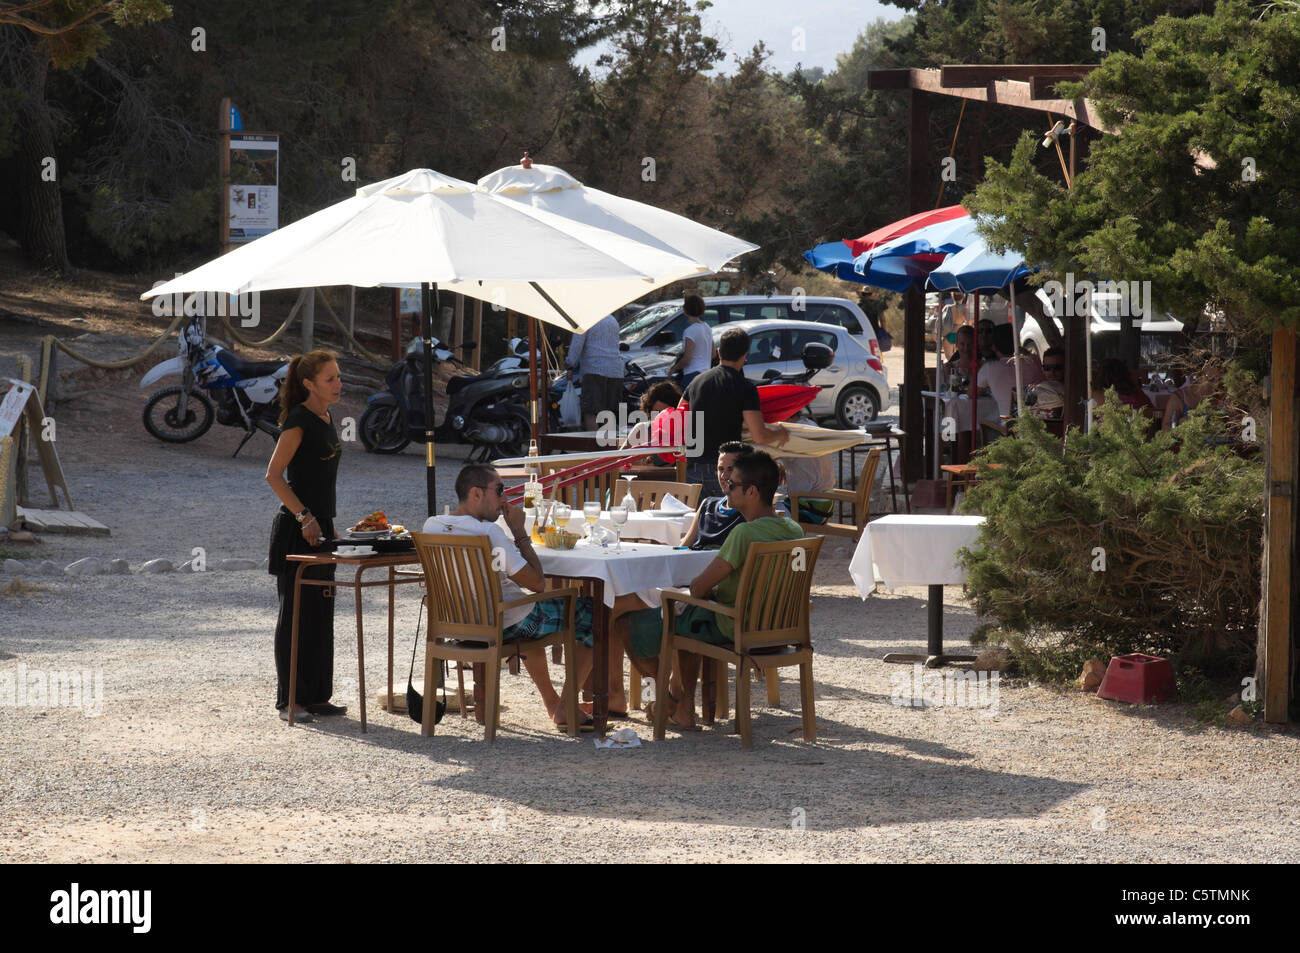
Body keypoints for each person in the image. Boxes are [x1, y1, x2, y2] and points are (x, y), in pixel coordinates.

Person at [618, 449, 803, 730]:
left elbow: (700, 587)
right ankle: (682, 708)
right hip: (778, 630)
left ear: (751, 492)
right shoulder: (794, 530)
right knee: (689, 619)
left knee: (629, 621)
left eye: (733, 484)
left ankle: (670, 701)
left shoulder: (743, 533)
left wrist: (696, 590)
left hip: (733, 626)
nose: (726, 486)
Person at [422, 464, 606, 730]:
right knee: (595, 612)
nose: (504, 499)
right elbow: (538, 583)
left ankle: (553, 703)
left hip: (458, 626)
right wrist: (519, 532)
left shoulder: (431, 525)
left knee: (529, 612)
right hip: (503, 623)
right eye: (499, 491)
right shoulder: (490, 532)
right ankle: (567, 706)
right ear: (476, 494)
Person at [266, 350, 345, 723]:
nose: (338, 384)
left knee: (320, 612)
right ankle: (289, 701)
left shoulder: (327, 416)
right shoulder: (297, 421)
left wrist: (327, 521)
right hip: (297, 530)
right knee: (296, 615)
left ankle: (316, 695)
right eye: (329, 379)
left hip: (322, 527)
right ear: (309, 384)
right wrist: (305, 517)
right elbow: (274, 475)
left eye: (338, 377)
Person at [683, 327, 789, 496]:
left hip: (692, 471)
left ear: (719, 352)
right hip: (726, 473)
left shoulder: (696, 382)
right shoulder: (745, 387)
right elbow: (759, 435)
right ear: (745, 355)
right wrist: (781, 433)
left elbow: (679, 414)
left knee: (698, 521)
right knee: (729, 521)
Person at [682, 441, 748, 549]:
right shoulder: (708, 504)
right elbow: (683, 547)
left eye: (730, 469)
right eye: (720, 469)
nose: (723, 475)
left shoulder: (750, 512)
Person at [565, 312, 623, 431]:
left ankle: (594, 447)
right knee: (607, 413)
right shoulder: (612, 320)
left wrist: (569, 365)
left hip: (594, 370)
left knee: (591, 412)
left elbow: (576, 346)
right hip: (615, 371)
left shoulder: (585, 320)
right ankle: (608, 446)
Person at [977, 323, 1043, 419]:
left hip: (1008, 427)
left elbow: (972, 393)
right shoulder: (1034, 361)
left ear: (993, 346)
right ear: (1017, 343)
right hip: (1037, 424)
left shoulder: (989, 368)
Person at [670, 295, 714, 389]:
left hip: (692, 376)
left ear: (686, 310)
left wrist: (673, 370)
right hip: (706, 374)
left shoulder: (690, 331)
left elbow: (687, 360)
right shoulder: (707, 327)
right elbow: (713, 354)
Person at [1162, 366, 1225, 430]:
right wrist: (1182, 425)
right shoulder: (1179, 398)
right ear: (1198, 377)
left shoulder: (1224, 398)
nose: (1217, 385)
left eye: (1221, 381)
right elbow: (1165, 431)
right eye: (1212, 380)